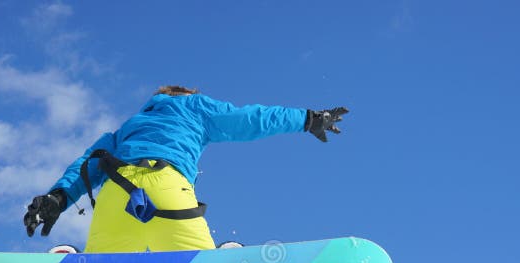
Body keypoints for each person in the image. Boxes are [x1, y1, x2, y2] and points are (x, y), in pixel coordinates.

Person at [24, 85, 348, 252]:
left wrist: (57, 199)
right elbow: (250, 119)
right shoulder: (196, 107)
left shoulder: (128, 127)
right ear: (187, 94)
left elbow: (87, 163)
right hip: (167, 187)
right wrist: (308, 119)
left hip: (116, 193)